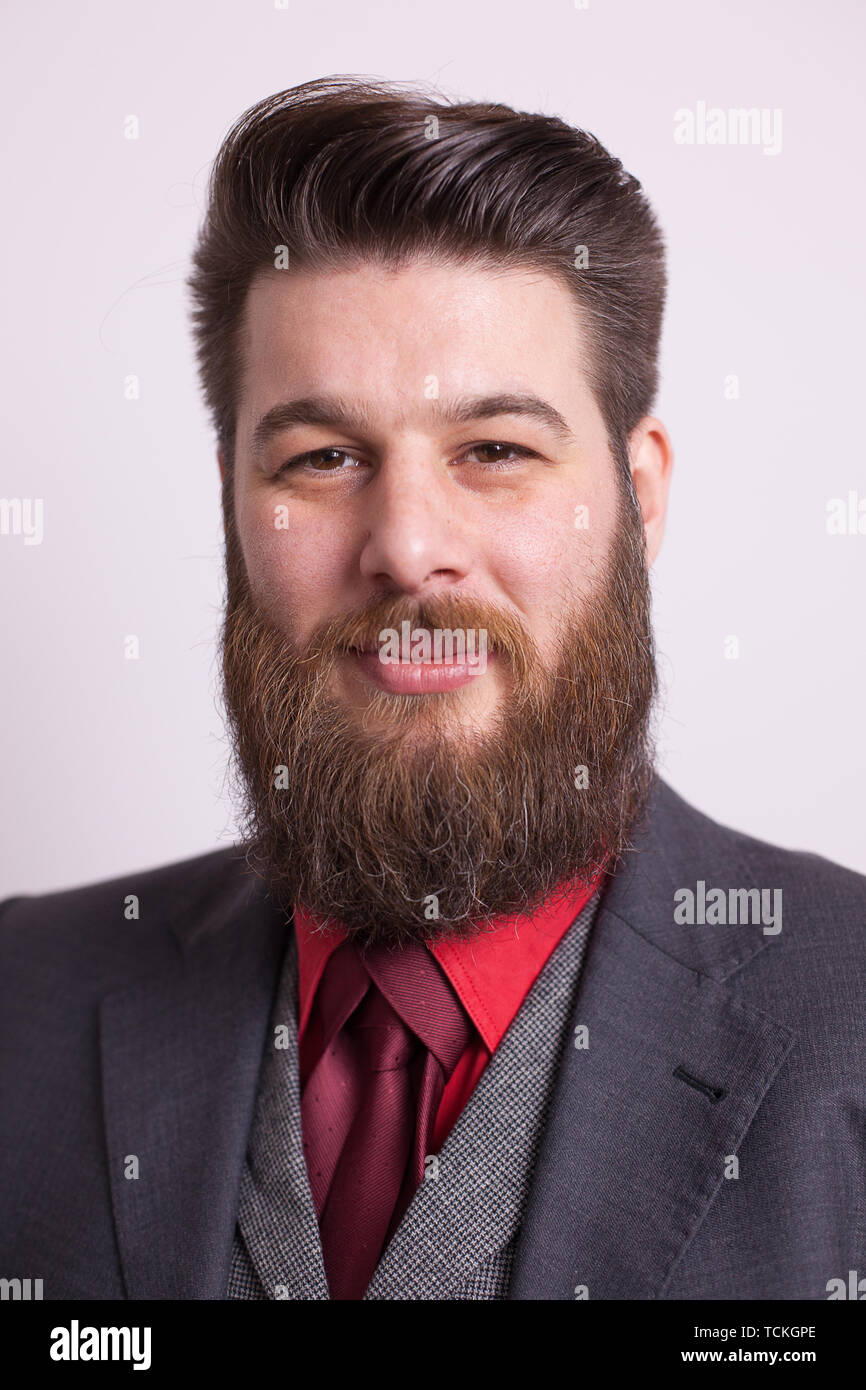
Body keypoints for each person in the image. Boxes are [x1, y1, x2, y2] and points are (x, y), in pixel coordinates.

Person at [1, 76, 864, 1302]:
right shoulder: (22, 997)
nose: (406, 548)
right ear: (231, 503)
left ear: (637, 499)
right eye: (322, 457)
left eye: (495, 450)